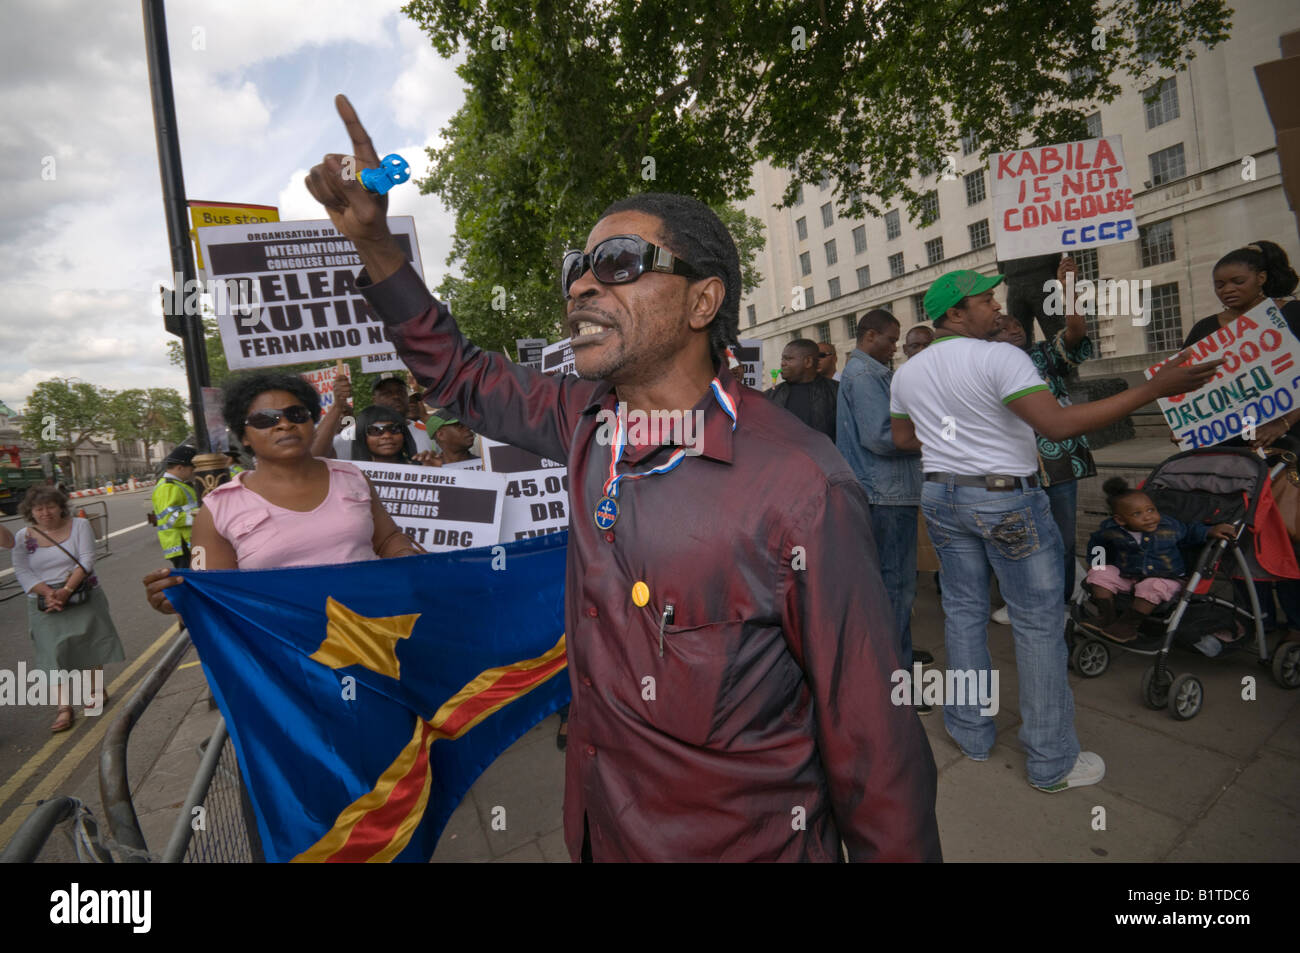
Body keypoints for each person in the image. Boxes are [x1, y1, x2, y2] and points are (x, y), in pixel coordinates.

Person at [302, 95, 939, 862]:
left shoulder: (800, 488)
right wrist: (374, 244)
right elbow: (460, 375)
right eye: (578, 269)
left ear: (704, 299)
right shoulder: (582, 418)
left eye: (620, 266)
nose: (580, 287)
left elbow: (876, 747)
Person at [890, 268, 1222, 792]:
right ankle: (1050, 761)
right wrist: (1153, 389)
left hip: (941, 495)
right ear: (955, 312)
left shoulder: (909, 372)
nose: (998, 309)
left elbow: (905, 438)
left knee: (964, 613)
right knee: (1038, 623)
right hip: (1004, 499)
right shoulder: (1001, 357)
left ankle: (971, 732)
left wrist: (954, 438)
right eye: (986, 302)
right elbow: (1059, 426)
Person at [143, 372, 423, 613]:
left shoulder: (351, 477)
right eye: (265, 419)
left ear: (311, 423)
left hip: (377, 636)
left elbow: (387, 539)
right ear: (243, 436)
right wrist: (178, 597)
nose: (284, 424)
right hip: (290, 658)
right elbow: (213, 595)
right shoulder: (218, 509)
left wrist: (408, 559)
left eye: (297, 414)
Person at [990, 256, 1096, 612]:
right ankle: (1023, 600)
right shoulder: (982, 368)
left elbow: (1076, 334)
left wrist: (1068, 290)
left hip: (1060, 464)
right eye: (1004, 327)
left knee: (1062, 541)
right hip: (1010, 471)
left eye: (1017, 324)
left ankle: (1063, 605)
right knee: (1018, 541)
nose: (1015, 329)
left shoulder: (1045, 355)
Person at [836, 309, 932, 686]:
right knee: (896, 587)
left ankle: (895, 657)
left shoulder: (869, 372)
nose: (896, 347)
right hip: (886, 494)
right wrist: (935, 438)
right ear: (870, 335)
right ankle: (896, 675)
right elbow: (881, 436)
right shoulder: (864, 375)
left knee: (891, 586)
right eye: (892, 340)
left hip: (887, 491)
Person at [12, 486, 124, 731]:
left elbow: (86, 559)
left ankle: (95, 690)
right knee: (51, 654)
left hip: (80, 591)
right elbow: (22, 570)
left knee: (90, 642)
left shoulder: (79, 526)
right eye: (38, 508)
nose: (45, 513)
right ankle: (63, 707)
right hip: (44, 600)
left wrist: (66, 591)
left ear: (61, 506)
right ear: (30, 512)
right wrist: (48, 593)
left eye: (50, 506)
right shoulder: (23, 536)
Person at [1082, 478, 1235, 643]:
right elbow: (1098, 543)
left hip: (1166, 577)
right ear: (1120, 520)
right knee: (1099, 573)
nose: (1148, 517)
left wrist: (1211, 530)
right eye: (1137, 514)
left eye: (1150, 510)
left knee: (1151, 585)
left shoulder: (1169, 526)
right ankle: (1107, 616)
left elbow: (1191, 531)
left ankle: (1128, 625)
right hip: (1129, 575)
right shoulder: (1110, 528)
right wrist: (1097, 562)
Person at [1182, 240, 1300, 350]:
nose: (1228, 290)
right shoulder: (1204, 328)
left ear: (1261, 278)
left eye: (1238, 282)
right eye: (1220, 285)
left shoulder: (1294, 312)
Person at [313, 374, 434, 460]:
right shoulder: (355, 433)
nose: (396, 396)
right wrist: (337, 406)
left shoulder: (426, 431)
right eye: (387, 393)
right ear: (374, 400)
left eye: (401, 392)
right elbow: (314, 455)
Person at [767, 338, 839, 439]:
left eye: (789, 359)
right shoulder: (770, 396)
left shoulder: (837, 392)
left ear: (808, 362)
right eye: (782, 359)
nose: (783, 363)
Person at [151, 445, 200, 568]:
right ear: (180, 468)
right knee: (194, 579)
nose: (194, 472)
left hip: (187, 542)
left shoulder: (179, 485)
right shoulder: (167, 487)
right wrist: (201, 516)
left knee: (199, 574)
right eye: (192, 469)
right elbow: (171, 518)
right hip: (181, 545)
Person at [351, 404, 421, 464]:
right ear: (362, 436)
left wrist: (429, 469)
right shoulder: (349, 475)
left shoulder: (421, 469)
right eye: (376, 430)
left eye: (394, 429)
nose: (387, 436)